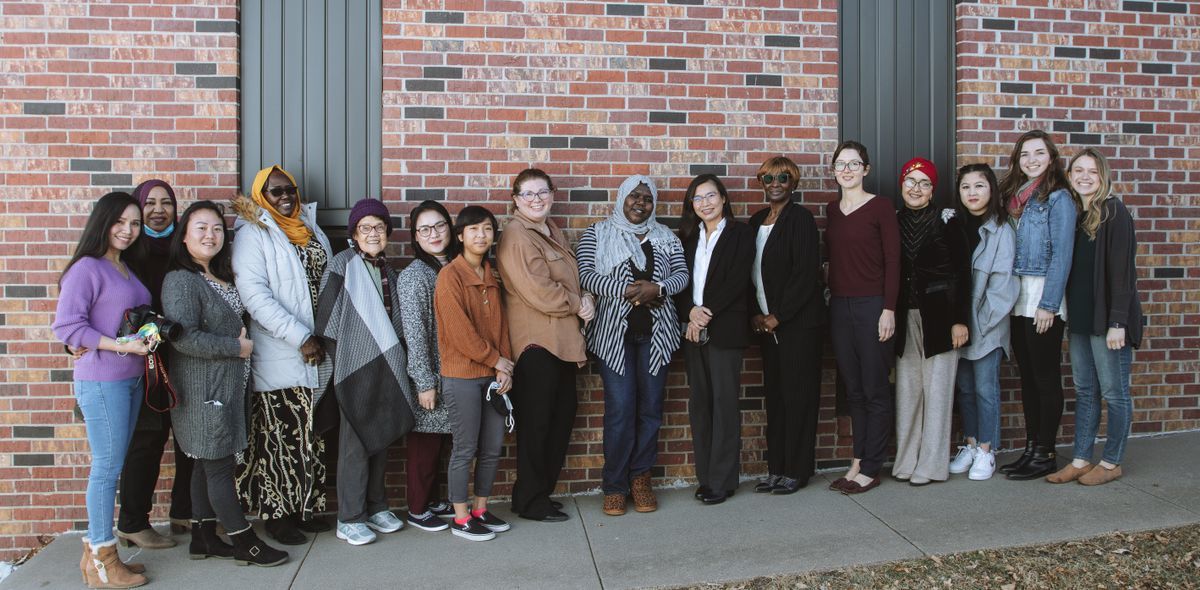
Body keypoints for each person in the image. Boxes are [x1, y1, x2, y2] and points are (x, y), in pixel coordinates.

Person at [161, 201, 288, 567]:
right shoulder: (181, 280)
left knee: (205, 464)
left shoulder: (219, 276)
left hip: (226, 388)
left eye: (217, 228)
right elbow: (183, 338)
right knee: (218, 466)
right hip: (203, 392)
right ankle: (245, 542)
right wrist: (237, 348)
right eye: (201, 228)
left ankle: (202, 538)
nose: (210, 235)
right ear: (184, 236)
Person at [53, 192, 152, 588]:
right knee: (107, 467)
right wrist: (122, 345)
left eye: (135, 223)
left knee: (115, 464)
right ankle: (104, 560)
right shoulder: (86, 268)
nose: (128, 230)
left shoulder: (124, 266)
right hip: (101, 379)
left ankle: (93, 553)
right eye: (120, 222)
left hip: (130, 378)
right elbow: (67, 326)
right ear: (103, 222)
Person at [231, 165, 334, 544]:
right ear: (261, 196)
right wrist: (300, 336)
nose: (286, 196)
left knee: (311, 436)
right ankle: (277, 517)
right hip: (281, 351)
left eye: (289, 188)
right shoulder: (253, 232)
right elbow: (254, 296)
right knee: (279, 437)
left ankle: (305, 509)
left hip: (317, 351)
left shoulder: (308, 226)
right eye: (276, 191)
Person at [577, 175, 689, 516]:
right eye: (634, 196)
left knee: (651, 410)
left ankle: (641, 479)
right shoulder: (597, 234)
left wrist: (658, 289)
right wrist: (630, 291)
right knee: (621, 410)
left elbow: (682, 275)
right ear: (621, 198)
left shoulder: (666, 236)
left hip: (657, 335)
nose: (640, 202)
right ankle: (615, 485)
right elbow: (586, 275)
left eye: (647, 198)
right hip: (615, 337)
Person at [315, 198, 416, 546]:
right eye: (365, 228)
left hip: (386, 364)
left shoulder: (389, 271)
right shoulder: (342, 264)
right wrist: (344, 359)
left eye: (379, 227)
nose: (373, 233)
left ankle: (376, 506)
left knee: (381, 437)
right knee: (355, 445)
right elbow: (326, 320)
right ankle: (350, 517)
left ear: (387, 232)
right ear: (354, 234)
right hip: (353, 366)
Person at [497, 169, 593, 523]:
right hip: (537, 346)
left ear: (552, 194)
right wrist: (578, 303)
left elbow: (569, 279)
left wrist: (585, 296)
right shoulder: (516, 235)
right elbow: (538, 290)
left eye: (542, 192)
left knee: (560, 420)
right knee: (537, 427)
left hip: (561, 343)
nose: (536, 199)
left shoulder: (551, 230)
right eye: (528, 193)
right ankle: (531, 500)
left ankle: (538, 494)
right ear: (516, 199)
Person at [1047, 148, 1144, 486]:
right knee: (1086, 391)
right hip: (1081, 319)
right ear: (1070, 175)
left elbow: (1123, 274)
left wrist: (1118, 323)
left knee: (1115, 393)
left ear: (1103, 177)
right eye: (1078, 170)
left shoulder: (1114, 212)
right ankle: (1081, 459)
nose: (1085, 177)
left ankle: (1112, 461)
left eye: (1092, 171)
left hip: (1108, 322)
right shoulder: (1075, 214)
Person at [115, 180, 192, 548]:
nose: (159, 210)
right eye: (150, 203)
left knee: (189, 439)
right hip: (145, 361)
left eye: (166, 203)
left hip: (185, 356)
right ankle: (132, 522)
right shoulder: (127, 253)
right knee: (147, 441)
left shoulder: (183, 248)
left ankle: (184, 512)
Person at [998, 130, 1078, 481]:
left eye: (1039, 153)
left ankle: (1045, 453)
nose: (1032, 160)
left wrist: (1049, 304)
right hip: (1018, 295)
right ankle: (1031, 449)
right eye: (1025, 154)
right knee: (1028, 377)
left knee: (1045, 377)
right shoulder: (1015, 197)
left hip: (1043, 296)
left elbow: (1062, 254)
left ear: (1051, 158)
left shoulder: (1059, 198)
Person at [824, 140, 900, 495]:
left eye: (854, 164)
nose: (847, 170)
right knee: (853, 390)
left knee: (875, 389)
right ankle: (857, 460)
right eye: (841, 164)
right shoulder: (832, 210)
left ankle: (872, 467)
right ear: (834, 170)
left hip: (873, 306)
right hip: (840, 307)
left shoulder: (881, 207)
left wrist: (889, 309)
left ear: (865, 169)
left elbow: (894, 261)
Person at [435, 206, 514, 541]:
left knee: (492, 446)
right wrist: (496, 359)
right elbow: (460, 333)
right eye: (474, 229)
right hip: (462, 376)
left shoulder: (492, 275)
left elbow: (503, 326)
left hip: (494, 376)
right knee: (465, 448)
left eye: (487, 229)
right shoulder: (450, 276)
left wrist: (505, 366)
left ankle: (481, 509)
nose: (481, 235)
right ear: (460, 235)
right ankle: (461, 517)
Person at [891, 158, 972, 486]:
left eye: (924, 183)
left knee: (937, 394)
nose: (916, 188)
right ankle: (906, 460)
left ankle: (931, 465)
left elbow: (963, 273)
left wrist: (960, 320)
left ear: (932, 190)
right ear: (902, 184)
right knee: (908, 392)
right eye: (911, 181)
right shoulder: (893, 221)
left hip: (941, 318)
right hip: (905, 317)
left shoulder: (947, 221)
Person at [674, 174, 754, 506]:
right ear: (691, 205)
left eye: (710, 196)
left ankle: (723, 480)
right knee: (700, 406)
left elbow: (737, 280)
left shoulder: (740, 234)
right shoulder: (687, 237)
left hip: (724, 329)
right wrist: (690, 313)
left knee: (724, 405)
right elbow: (679, 281)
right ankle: (706, 477)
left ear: (723, 198)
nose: (705, 203)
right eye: (698, 198)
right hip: (693, 330)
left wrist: (704, 313)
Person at [747, 157, 825, 495]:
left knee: (798, 398)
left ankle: (798, 469)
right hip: (767, 327)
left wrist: (778, 315)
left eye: (783, 177)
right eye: (768, 178)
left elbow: (806, 274)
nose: (775, 183)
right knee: (776, 399)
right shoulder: (756, 221)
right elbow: (746, 273)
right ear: (761, 183)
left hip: (798, 326)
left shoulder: (801, 219)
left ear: (793, 183)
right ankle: (776, 468)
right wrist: (756, 314)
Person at [949, 164, 1019, 481]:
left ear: (991, 190)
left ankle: (987, 450)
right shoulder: (955, 225)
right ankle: (970, 444)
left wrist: (977, 324)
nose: (972, 193)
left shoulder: (1001, 230)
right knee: (964, 389)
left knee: (985, 389)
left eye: (979, 186)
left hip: (987, 326)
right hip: (959, 327)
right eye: (966, 187)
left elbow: (1003, 286)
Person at [396, 200, 460, 531]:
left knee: (442, 441)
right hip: (430, 374)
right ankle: (418, 508)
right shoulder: (414, 276)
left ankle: (433, 500)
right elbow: (415, 334)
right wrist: (424, 382)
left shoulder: (455, 267)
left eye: (439, 226)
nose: (433, 234)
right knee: (425, 443)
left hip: (454, 372)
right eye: (424, 229)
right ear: (415, 237)